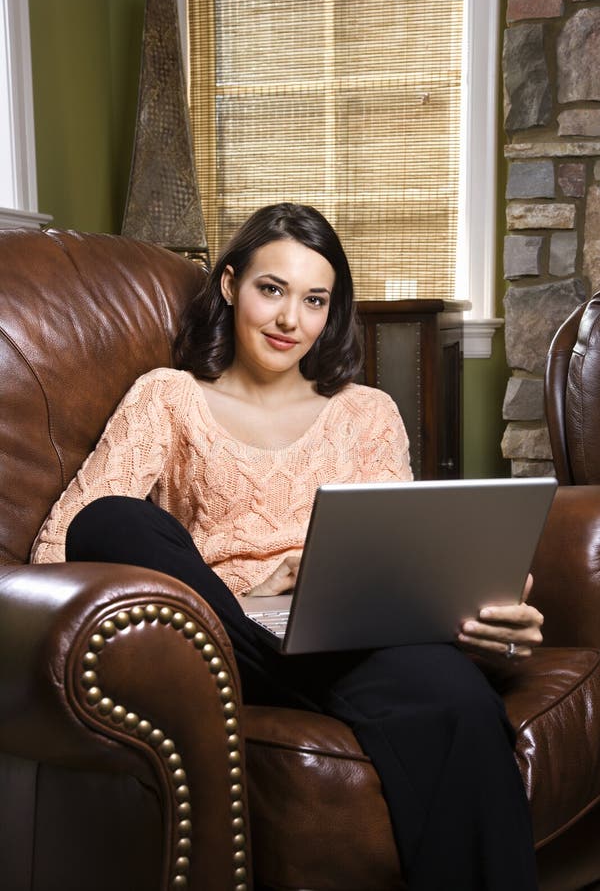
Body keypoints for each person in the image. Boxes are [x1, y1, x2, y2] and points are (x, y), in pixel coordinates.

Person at [31, 203, 543, 889]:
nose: (288, 320)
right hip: (223, 639)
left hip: (350, 638)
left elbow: (403, 560)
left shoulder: (367, 413)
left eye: (314, 300)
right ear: (229, 285)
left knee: (459, 701)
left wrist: (482, 614)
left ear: (331, 313)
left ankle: (299, 668)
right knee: (112, 519)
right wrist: (245, 591)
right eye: (270, 289)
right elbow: (60, 544)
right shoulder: (169, 398)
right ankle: (272, 658)